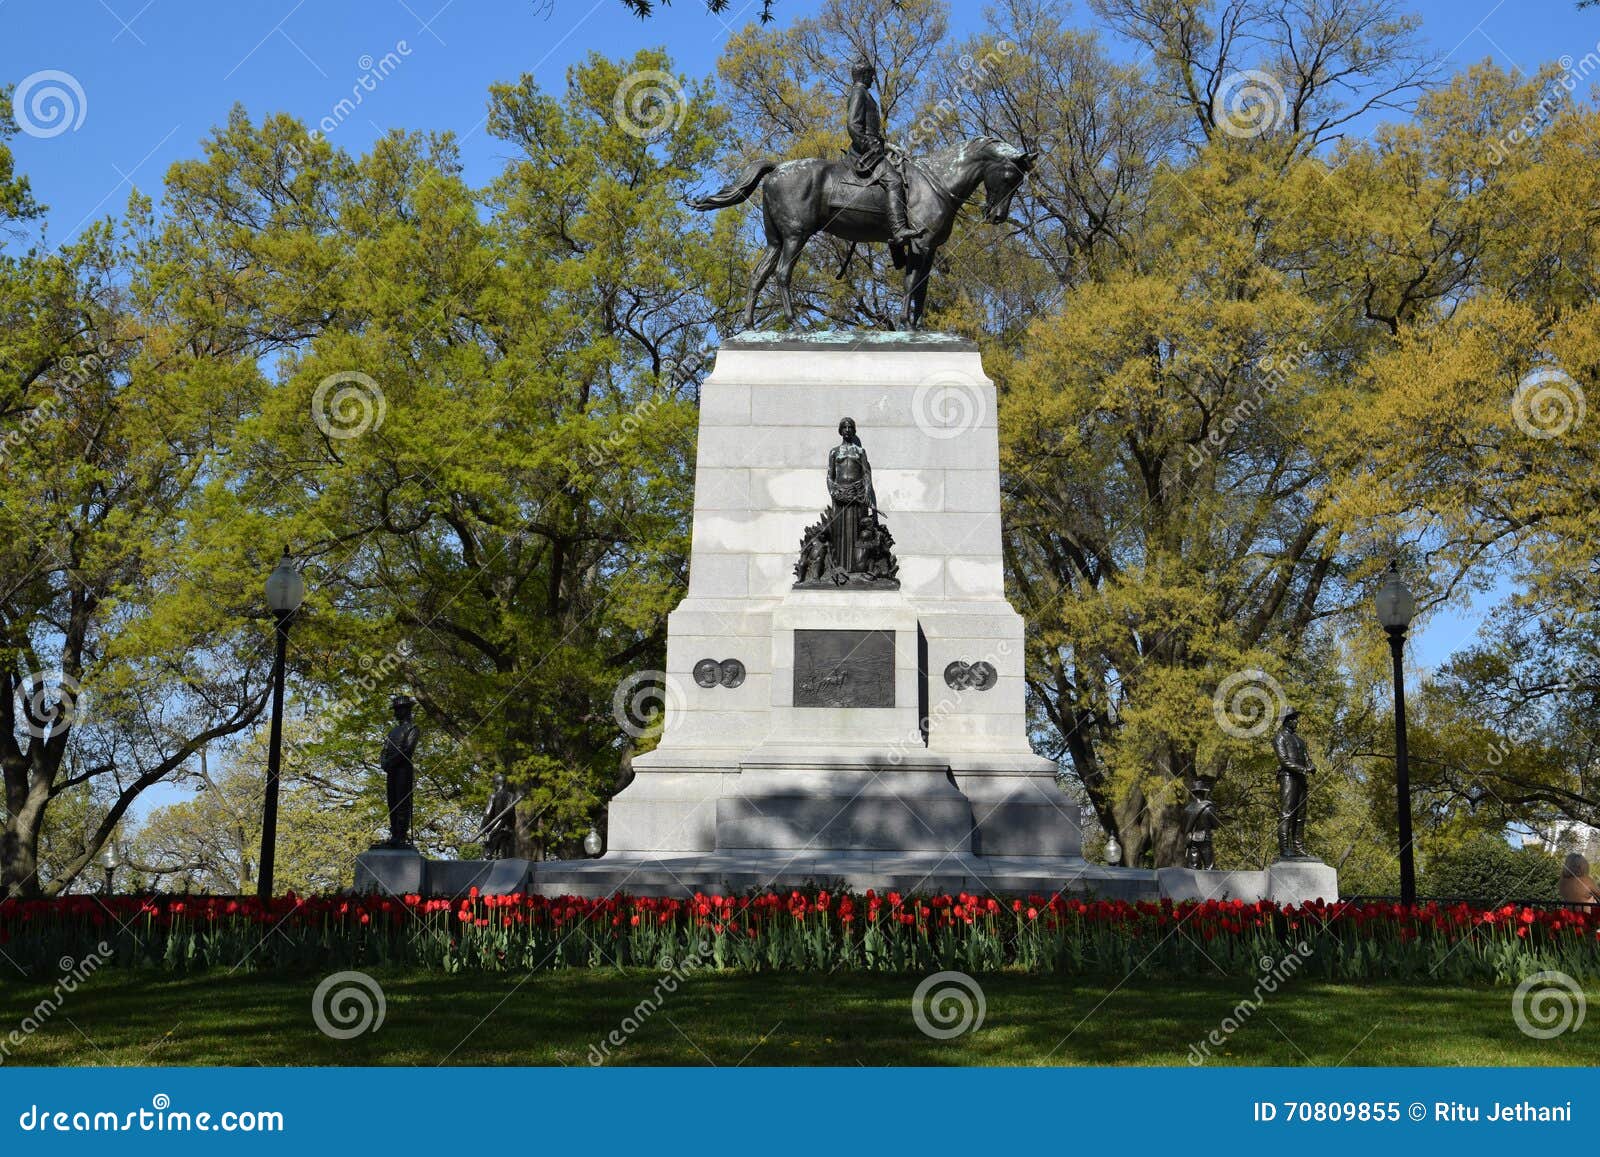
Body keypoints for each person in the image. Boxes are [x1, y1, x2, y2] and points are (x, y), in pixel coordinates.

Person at [846, 58, 922, 247]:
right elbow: (854, 125)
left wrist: (889, 147)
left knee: (905, 174)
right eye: (871, 75)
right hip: (864, 152)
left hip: (875, 148)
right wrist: (869, 146)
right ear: (864, 75)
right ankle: (898, 229)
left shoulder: (864, 93)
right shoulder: (859, 92)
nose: (873, 79)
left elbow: (872, 132)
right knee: (894, 181)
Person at [377, 694, 420, 849]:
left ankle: (401, 835)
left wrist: (390, 763)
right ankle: (394, 833)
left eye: (398, 710)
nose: (395, 713)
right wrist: (384, 763)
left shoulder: (413, 729)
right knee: (392, 802)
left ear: (406, 710)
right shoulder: (392, 732)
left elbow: (407, 750)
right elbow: (384, 750)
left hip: (403, 770)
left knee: (402, 802)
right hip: (392, 771)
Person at [1272, 709, 1314, 860]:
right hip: (1288, 778)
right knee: (1287, 813)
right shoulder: (1279, 737)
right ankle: (1284, 848)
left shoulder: (1300, 740)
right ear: (1287, 720)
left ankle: (1299, 847)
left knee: (1300, 815)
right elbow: (1283, 760)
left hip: (1301, 780)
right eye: (1294, 719)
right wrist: (1303, 769)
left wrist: (1311, 765)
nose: (1297, 721)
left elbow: (1307, 757)